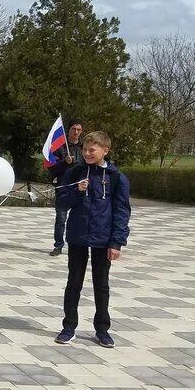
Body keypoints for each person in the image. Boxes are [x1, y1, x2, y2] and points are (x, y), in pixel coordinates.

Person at [55, 131, 131, 348]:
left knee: (101, 285)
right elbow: (61, 204)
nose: (87, 153)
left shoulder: (116, 177)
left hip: (103, 237)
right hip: (78, 235)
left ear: (105, 151)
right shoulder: (74, 172)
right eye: (85, 149)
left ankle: (102, 329)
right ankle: (69, 327)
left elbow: (122, 211)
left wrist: (116, 242)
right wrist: (77, 192)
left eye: (92, 150)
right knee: (74, 283)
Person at [48, 119, 84, 256]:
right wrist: (64, 162)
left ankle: (77, 244)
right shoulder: (60, 147)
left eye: (79, 130)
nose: (76, 132)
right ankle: (58, 245)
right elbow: (51, 167)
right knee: (61, 218)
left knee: (79, 218)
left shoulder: (83, 148)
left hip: (80, 187)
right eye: (74, 129)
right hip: (63, 187)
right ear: (68, 130)